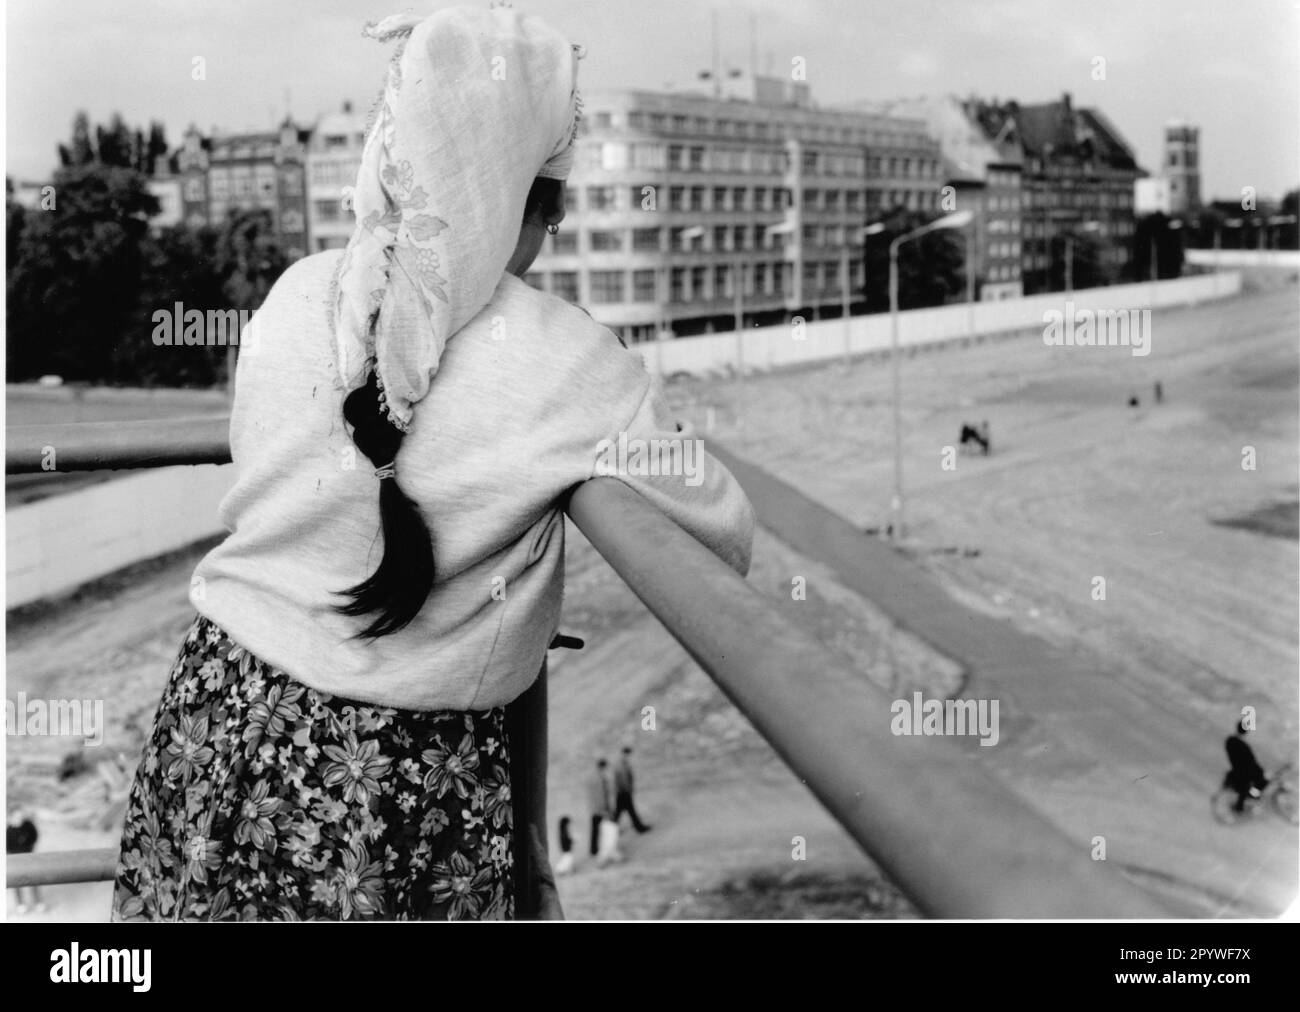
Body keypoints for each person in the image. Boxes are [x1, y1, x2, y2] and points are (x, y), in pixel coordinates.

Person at [111, 6, 753, 923]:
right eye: (555, 196)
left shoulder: (297, 294)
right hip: (396, 788)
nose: (563, 221)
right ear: (528, 196)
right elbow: (724, 531)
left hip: (211, 723)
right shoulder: (569, 360)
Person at [1224, 719, 1268, 814]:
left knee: (1251, 784)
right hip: (1244, 771)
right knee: (1259, 782)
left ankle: (1247, 800)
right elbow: (1250, 761)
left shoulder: (1230, 741)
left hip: (1238, 770)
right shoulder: (1243, 745)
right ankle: (1241, 806)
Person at [7, 811, 44, 914]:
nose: (20, 818)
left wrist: (30, 847)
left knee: (33, 879)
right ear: (11, 817)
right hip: (15, 859)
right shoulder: (8, 830)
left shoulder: (28, 824)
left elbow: (35, 835)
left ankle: (38, 902)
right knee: (16, 881)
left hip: (29, 857)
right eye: (17, 816)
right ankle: (20, 904)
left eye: (21, 816)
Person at [613, 746, 651, 833]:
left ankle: (638, 827)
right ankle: (639, 828)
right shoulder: (621, 764)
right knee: (626, 811)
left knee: (625, 812)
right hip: (623, 792)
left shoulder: (623, 763)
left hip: (622, 792)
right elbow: (623, 778)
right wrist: (627, 789)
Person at [587, 759, 613, 857]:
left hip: (594, 808)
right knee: (606, 828)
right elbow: (601, 795)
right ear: (603, 767)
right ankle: (602, 849)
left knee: (595, 829)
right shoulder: (600, 778)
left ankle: (593, 850)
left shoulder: (593, 777)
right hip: (600, 808)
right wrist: (604, 810)